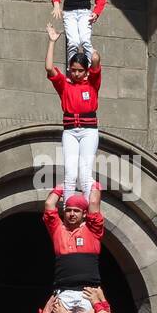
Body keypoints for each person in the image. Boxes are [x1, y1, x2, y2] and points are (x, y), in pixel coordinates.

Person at [44, 22, 103, 199]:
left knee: (85, 175)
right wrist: (52, 41)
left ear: (86, 72)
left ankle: (85, 212)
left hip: (88, 131)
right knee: (70, 175)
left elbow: (95, 60)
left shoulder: (92, 83)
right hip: (70, 131)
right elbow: (49, 68)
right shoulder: (65, 85)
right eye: (73, 70)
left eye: (80, 71)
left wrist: (87, 44)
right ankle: (67, 208)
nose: (76, 74)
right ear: (70, 70)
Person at [42, 182, 104, 313]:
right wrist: (62, 186)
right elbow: (49, 204)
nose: (71, 214)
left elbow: (94, 202)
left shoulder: (93, 230)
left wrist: (93, 185)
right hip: (64, 291)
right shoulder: (57, 229)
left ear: (84, 214)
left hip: (88, 292)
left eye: (76, 211)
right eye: (68, 210)